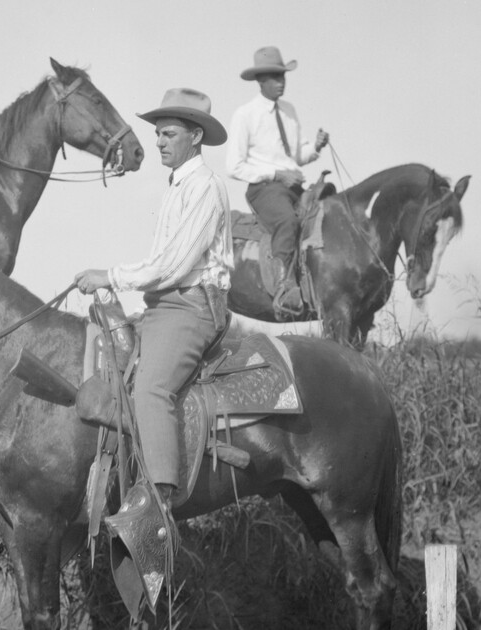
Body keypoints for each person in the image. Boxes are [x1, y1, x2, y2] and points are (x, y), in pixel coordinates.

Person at [75, 88, 233, 510]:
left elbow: (171, 265)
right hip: (166, 305)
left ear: (195, 136)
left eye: (168, 134)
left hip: (193, 307)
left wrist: (109, 275)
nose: (159, 142)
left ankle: (159, 497)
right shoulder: (177, 185)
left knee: (151, 388)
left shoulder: (204, 187)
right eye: (158, 134)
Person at [225, 46, 329, 316]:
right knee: (287, 222)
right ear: (260, 81)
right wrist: (276, 174)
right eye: (274, 77)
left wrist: (315, 148)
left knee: (325, 218)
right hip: (265, 189)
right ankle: (284, 288)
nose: (280, 82)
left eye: (282, 76)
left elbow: (295, 155)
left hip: (294, 187)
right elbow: (233, 166)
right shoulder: (245, 115)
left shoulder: (289, 111)